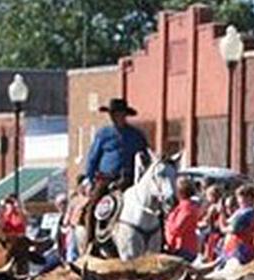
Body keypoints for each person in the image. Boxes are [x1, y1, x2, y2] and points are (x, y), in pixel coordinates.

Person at [84, 97, 150, 242]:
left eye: (118, 113)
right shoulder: (103, 134)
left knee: (151, 207)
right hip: (106, 179)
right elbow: (92, 158)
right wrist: (89, 179)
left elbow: (146, 157)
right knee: (92, 207)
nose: (114, 117)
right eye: (112, 114)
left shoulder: (137, 135)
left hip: (131, 180)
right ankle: (89, 244)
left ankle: (158, 240)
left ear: (125, 115)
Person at [164, 176, 202, 260]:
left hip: (184, 249)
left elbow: (177, 229)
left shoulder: (187, 208)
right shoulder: (182, 206)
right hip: (179, 247)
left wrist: (166, 222)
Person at [221, 184, 254, 266]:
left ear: (249, 198)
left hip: (240, 248)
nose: (239, 200)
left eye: (241, 197)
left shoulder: (248, 212)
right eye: (238, 197)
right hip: (233, 246)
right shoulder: (241, 211)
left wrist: (223, 228)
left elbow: (234, 228)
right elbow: (228, 221)